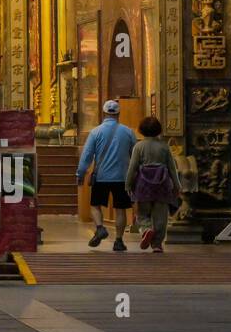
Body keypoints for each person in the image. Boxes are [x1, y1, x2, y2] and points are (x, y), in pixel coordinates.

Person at [76, 100, 137, 251]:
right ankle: (119, 241)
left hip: (101, 176)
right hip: (122, 177)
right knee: (120, 209)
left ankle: (100, 227)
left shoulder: (95, 132)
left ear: (103, 114)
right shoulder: (128, 132)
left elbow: (87, 155)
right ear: (118, 114)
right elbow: (135, 154)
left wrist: (81, 173)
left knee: (95, 205)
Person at [126, 116, 182, 254]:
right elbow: (172, 168)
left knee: (142, 213)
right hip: (162, 184)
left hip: (143, 185)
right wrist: (177, 185)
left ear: (142, 130)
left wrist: (128, 185)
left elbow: (132, 167)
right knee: (161, 215)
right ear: (158, 130)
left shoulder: (138, 146)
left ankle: (146, 229)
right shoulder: (164, 146)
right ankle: (157, 244)